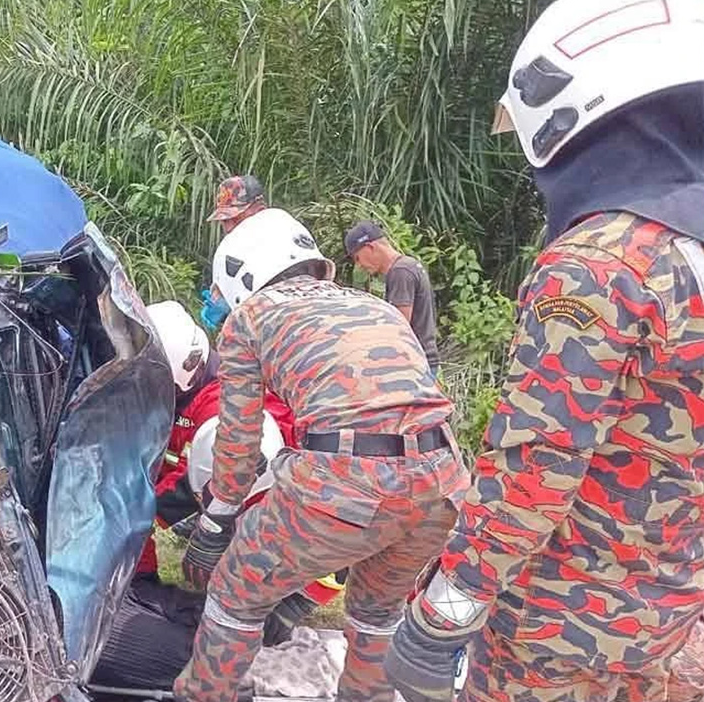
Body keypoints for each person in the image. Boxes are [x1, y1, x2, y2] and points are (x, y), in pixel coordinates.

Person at [383, 0, 704, 701]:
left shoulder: (603, 261)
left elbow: (536, 463)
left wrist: (442, 618)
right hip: (677, 615)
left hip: (559, 626)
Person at [173, 209, 468, 702]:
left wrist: (215, 523)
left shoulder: (250, 319)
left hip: (349, 477)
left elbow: (239, 442)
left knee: (235, 593)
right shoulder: (370, 305)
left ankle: (206, 694)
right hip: (443, 480)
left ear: (240, 274)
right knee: (377, 615)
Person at [140, 300, 343, 645]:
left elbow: (341, 537)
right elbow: (158, 482)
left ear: (184, 372)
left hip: (298, 514)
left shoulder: (233, 415)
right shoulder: (183, 397)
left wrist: (297, 603)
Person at [344, 220, 440, 374]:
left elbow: (398, 327)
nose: (359, 265)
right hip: (425, 360)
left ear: (370, 247)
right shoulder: (409, 265)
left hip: (416, 364)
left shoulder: (400, 272)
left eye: (357, 258)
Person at [199, 175, 269, 331]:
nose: (229, 228)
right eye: (224, 221)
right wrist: (223, 306)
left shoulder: (287, 242)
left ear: (260, 211)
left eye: (236, 219)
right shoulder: (231, 254)